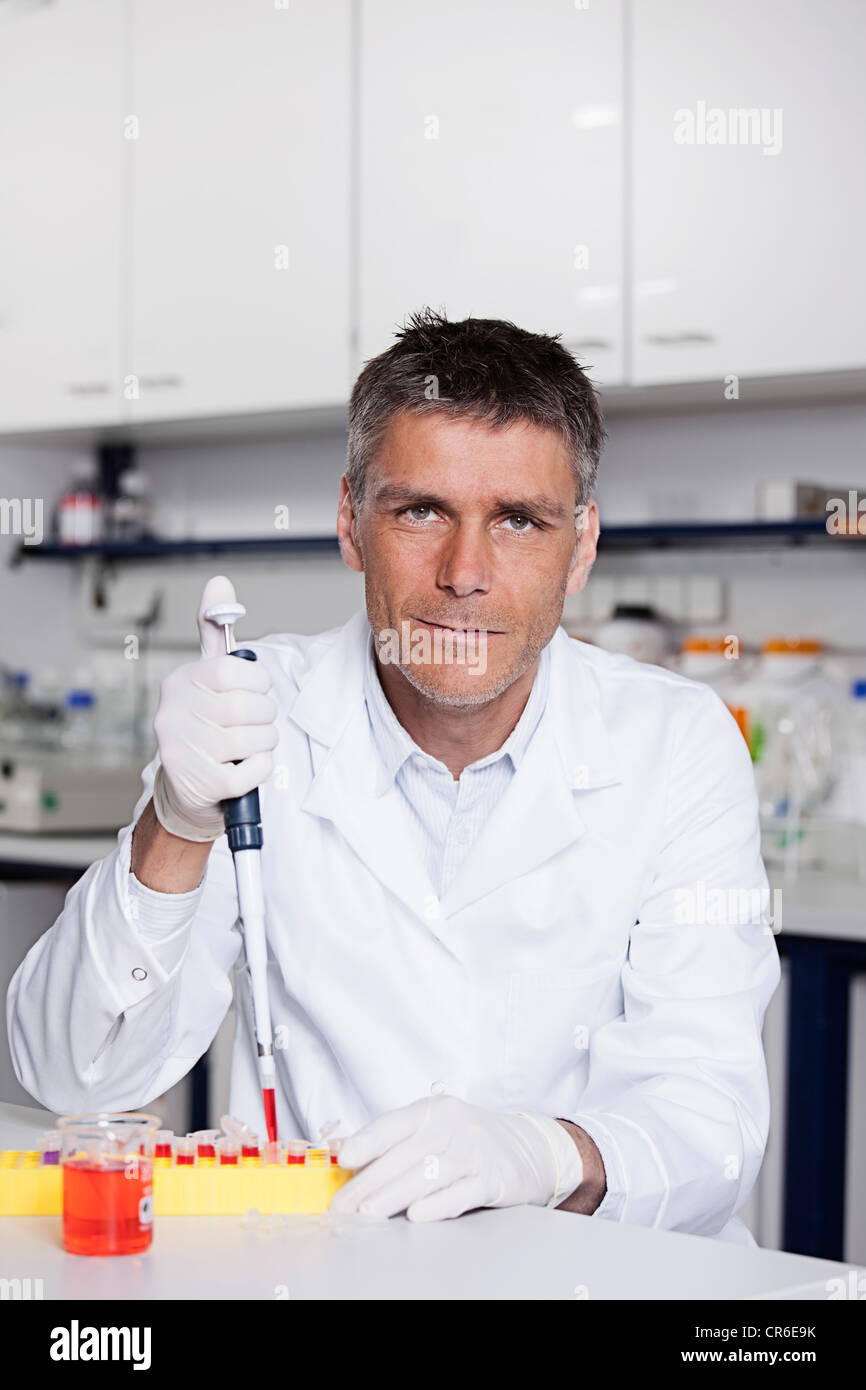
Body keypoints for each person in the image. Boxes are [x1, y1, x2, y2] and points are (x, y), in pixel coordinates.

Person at [8, 309, 780, 1240]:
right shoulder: (254, 712)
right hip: (327, 1264)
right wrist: (175, 819)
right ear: (348, 523)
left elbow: (711, 1122)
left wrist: (539, 1155)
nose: (466, 572)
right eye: (421, 511)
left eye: (519, 521)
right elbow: (71, 1073)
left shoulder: (676, 741)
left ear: (579, 548)